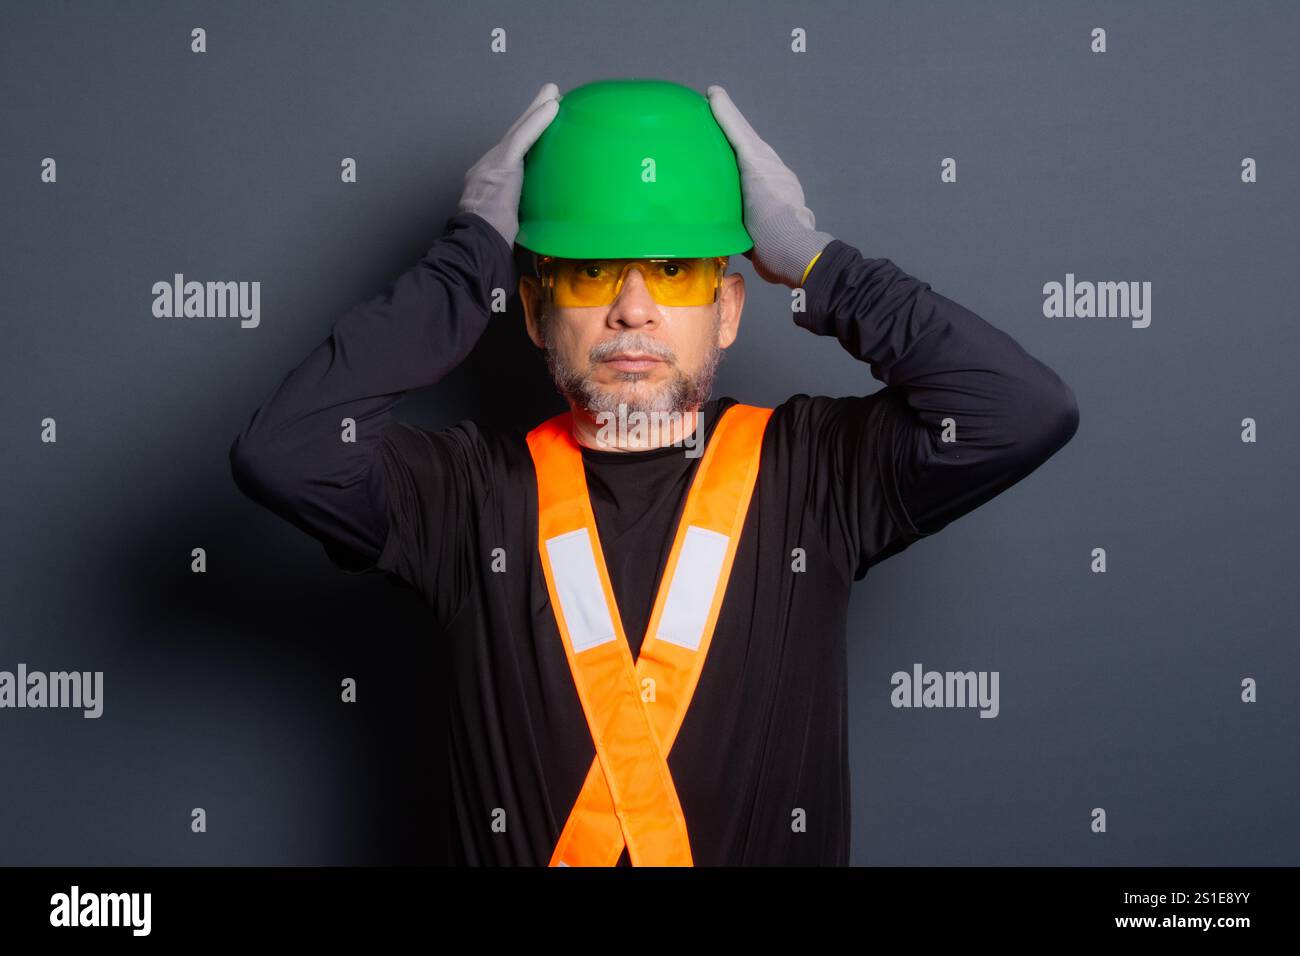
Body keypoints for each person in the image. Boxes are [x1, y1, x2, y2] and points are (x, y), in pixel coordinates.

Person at [229, 80, 1079, 865]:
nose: (633, 308)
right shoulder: (464, 496)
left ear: (731, 311)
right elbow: (287, 452)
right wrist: (467, 261)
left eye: (673, 270)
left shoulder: (818, 474)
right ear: (532, 311)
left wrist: (817, 261)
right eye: (594, 270)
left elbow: (1022, 409)